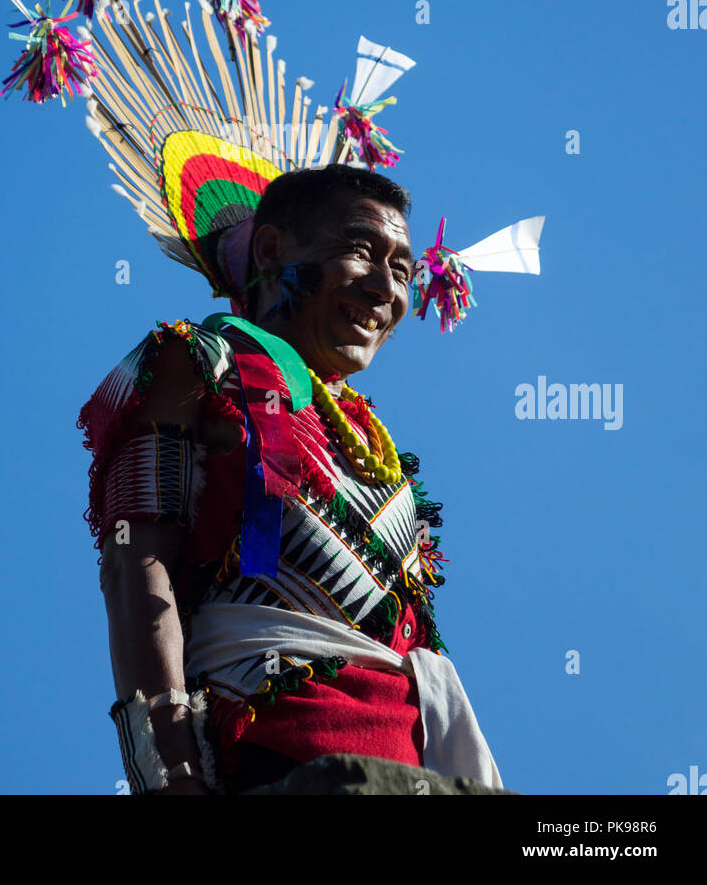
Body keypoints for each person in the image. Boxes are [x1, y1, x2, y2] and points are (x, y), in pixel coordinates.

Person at [78, 163, 503, 795]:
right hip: (284, 757)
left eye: (404, 270)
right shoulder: (197, 361)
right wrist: (166, 766)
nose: (387, 286)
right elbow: (133, 564)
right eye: (362, 251)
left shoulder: (368, 436)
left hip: (414, 765)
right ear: (273, 250)